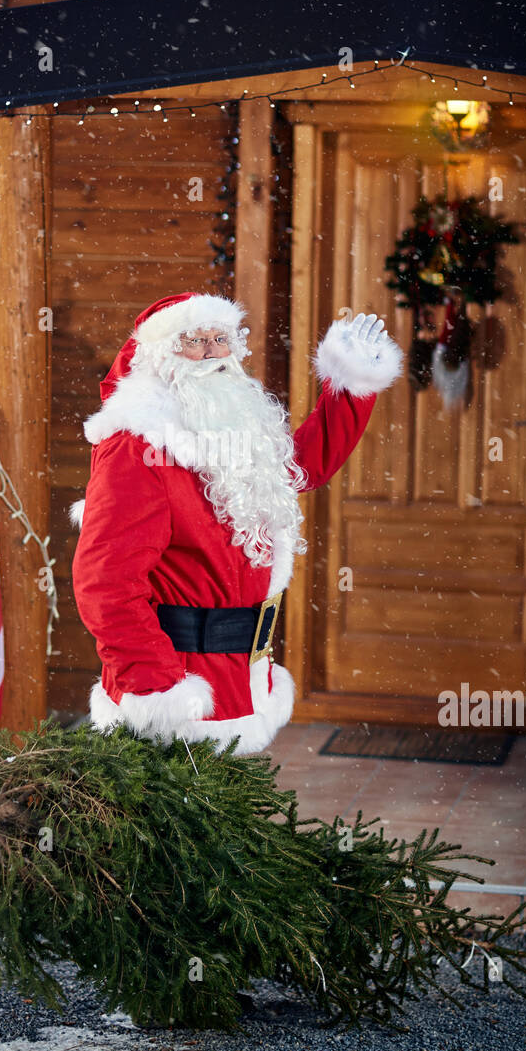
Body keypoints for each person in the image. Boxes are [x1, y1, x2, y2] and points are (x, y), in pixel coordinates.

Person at [70, 292, 403, 754]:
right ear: (159, 354)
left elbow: (303, 465)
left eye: (220, 339)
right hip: (180, 695)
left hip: (242, 682)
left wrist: (349, 383)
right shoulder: (136, 447)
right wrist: (159, 688)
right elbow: (105, 583)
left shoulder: (234, 428)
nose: (210, 352)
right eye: (193, 340)